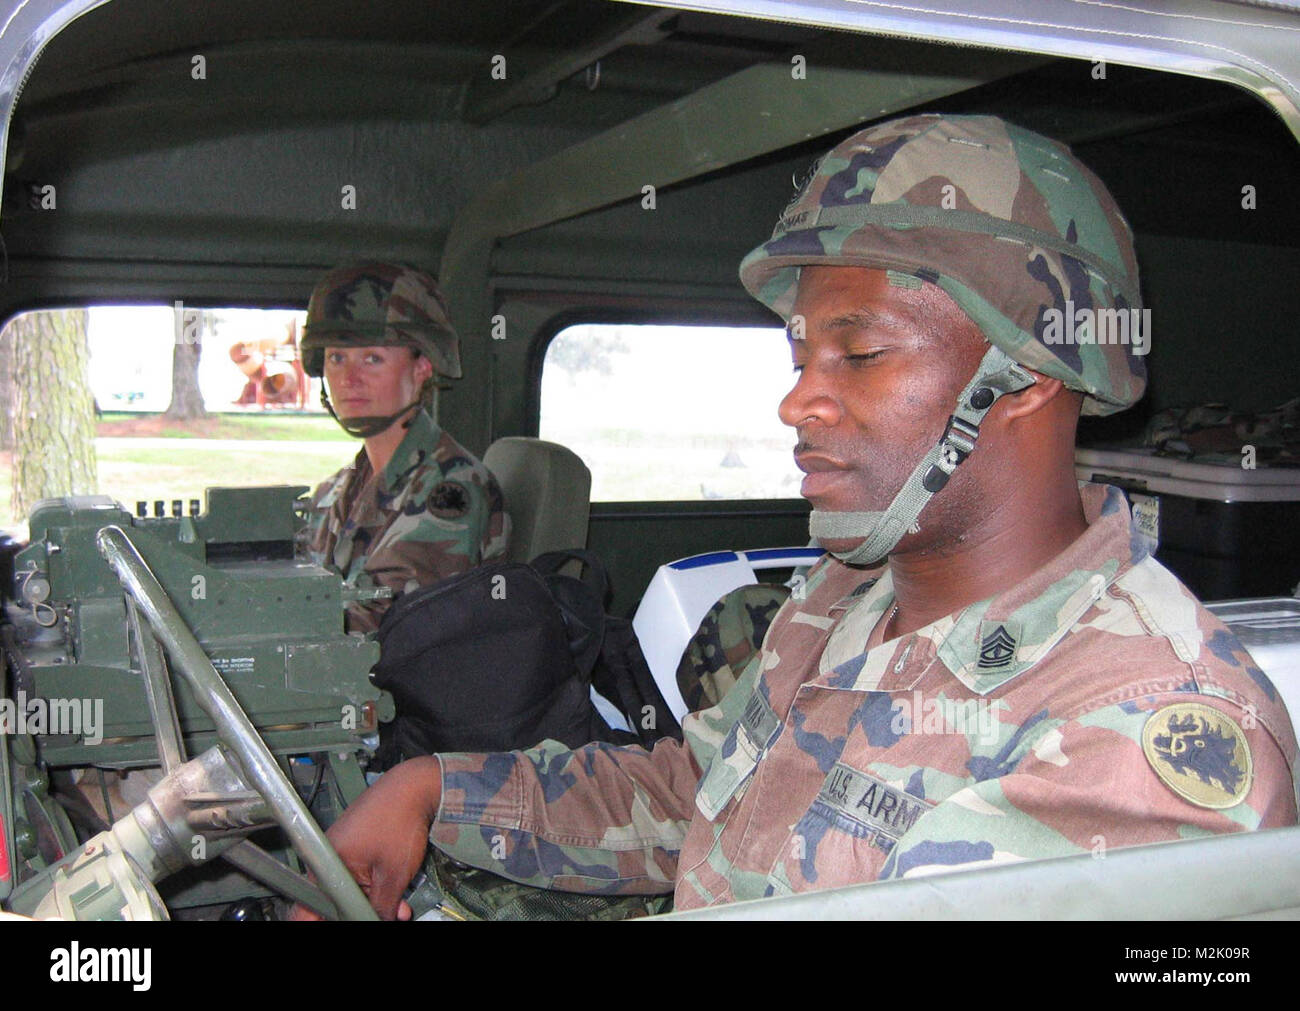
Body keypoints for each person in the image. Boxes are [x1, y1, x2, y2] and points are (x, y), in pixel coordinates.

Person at [294, 116, 1297, 918]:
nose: (796, 404)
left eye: (857, 355)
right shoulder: (843, 600)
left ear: (1028, 375)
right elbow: (698, 794)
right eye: (798, 359)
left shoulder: (1132, 747)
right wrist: (431, 793)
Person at [301, 262, 509, 634]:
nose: (349, 379)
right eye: (336, 358)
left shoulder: (452, 489)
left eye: (372, 359)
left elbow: (392, 626)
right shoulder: (337, 489)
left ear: (422, 366)